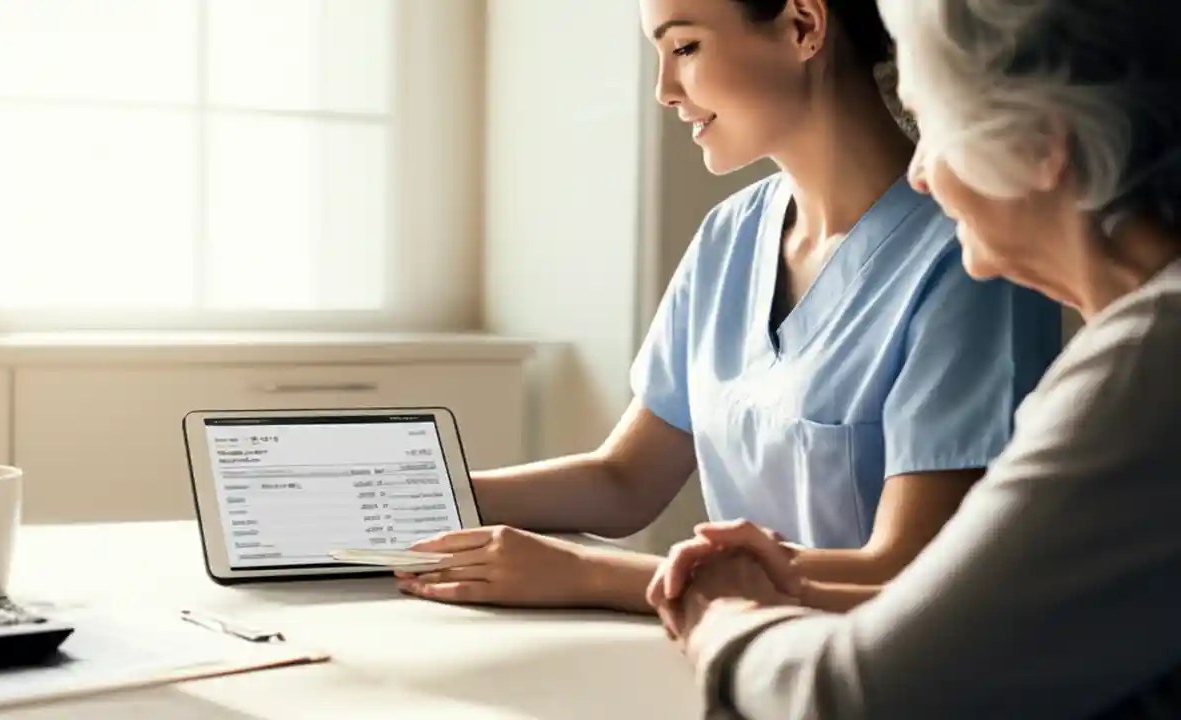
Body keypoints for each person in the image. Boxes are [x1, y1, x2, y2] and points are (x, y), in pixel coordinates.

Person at [396, 0, 1060, 614]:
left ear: (803, 25)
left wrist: (589, 573)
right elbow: (626, 479)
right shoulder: (730, 234)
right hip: (742, 654)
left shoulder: (970, 256)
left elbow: (913, 573)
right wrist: (408, 498)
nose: (664, 89)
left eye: (684, 47)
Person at [647, 1, 1181, 717]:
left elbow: (855, 692)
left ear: (1040, 141)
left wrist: (723, 613)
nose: (920, 173)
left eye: (931, 124)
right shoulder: (1143, 347)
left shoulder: (1149, 364)